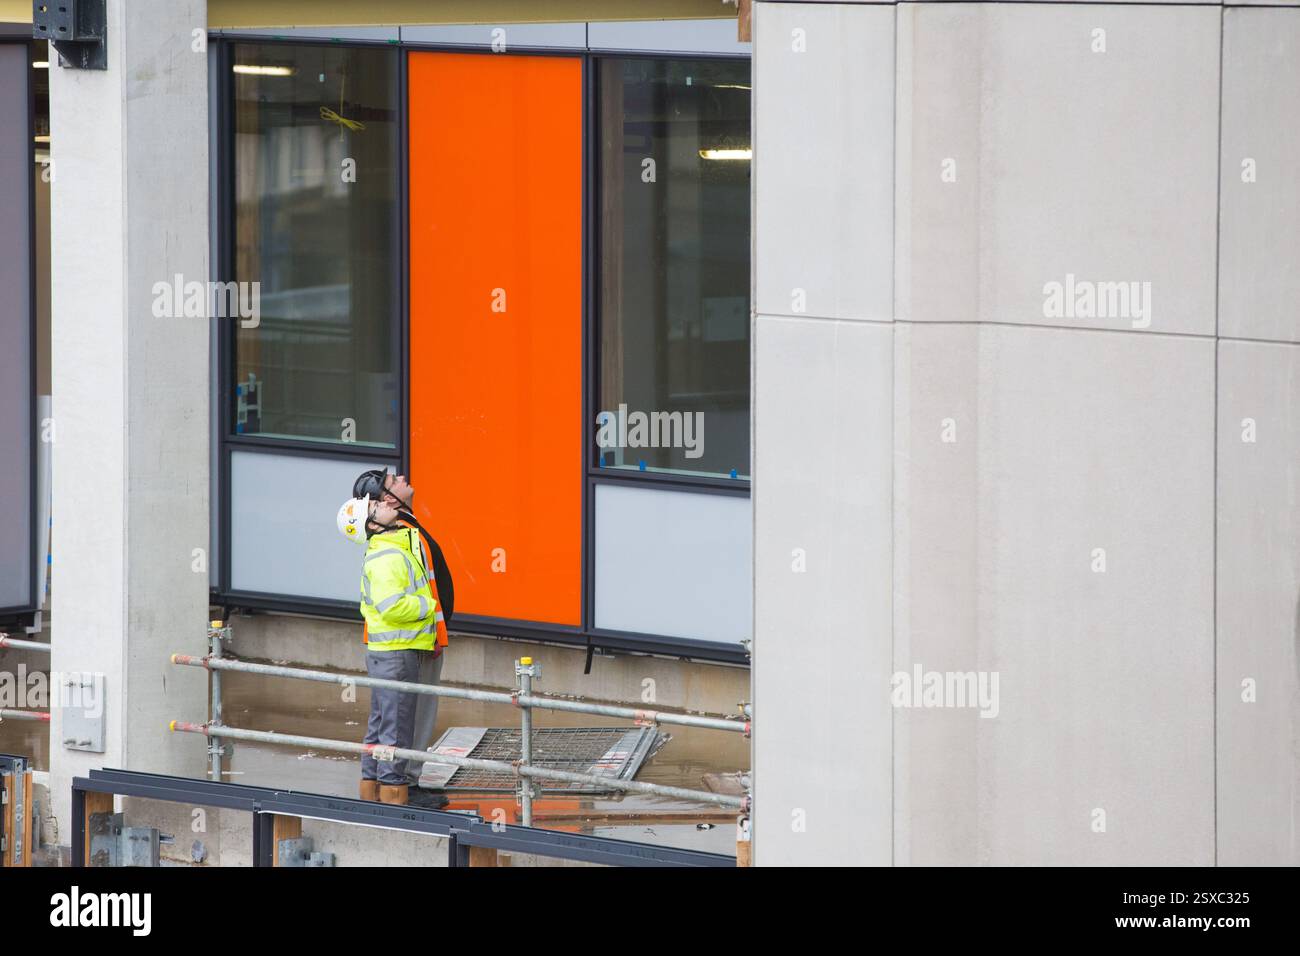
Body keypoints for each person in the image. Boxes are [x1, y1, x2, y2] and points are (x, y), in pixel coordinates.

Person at [350, 469, 453, 803]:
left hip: (411, 640)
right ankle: (401, 785)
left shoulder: (405, 531)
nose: (402, 477)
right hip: (406, 643)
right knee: (403, 718)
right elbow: (397, 600)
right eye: (392, 479)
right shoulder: (399, 538)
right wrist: (431, 618)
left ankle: (388, 783)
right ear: (386, 500)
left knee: (393, 717)